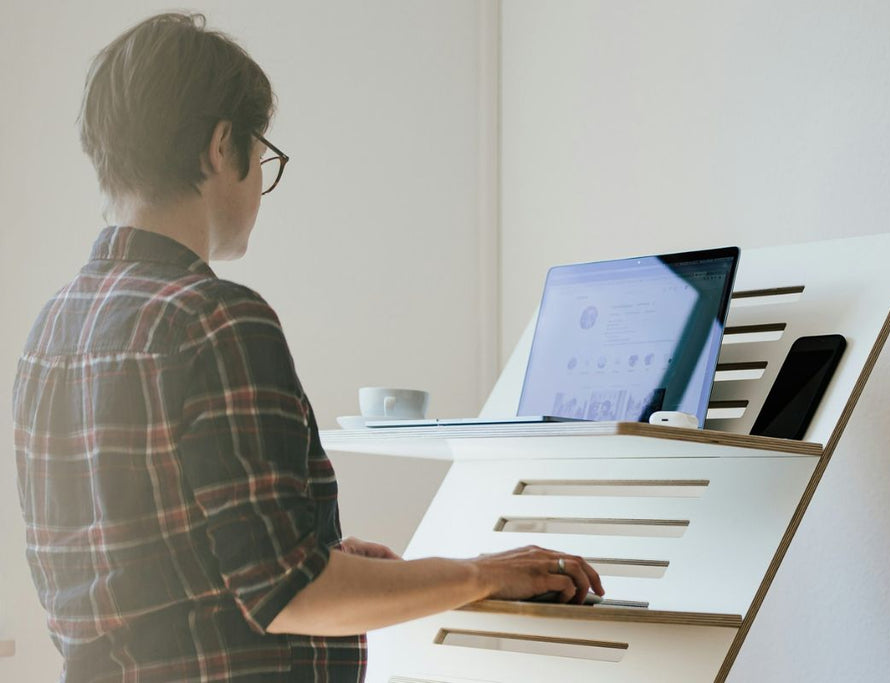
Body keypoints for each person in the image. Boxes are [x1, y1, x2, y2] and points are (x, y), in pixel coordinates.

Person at [12, 13, 602, 682]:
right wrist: (483, 574)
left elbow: (143, 570)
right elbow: (290, 593)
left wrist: (330, 560)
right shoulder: (217, 319)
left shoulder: (51, 330)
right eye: (263, 156)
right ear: (221, 146)